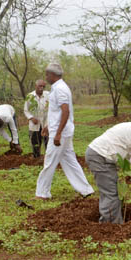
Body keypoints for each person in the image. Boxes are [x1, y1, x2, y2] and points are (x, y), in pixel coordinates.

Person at [35, 62, 94, 200]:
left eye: (47, 74)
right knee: (69, 160)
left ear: (53, 75)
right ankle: (86, 189)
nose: (46, 77)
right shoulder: (59, 87)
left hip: (60, 133)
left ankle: (42, 193)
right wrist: (49, 126)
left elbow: (65, 111)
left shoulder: (60, 88)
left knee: (49, 161)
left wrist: (58, 133)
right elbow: (57, 112)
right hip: (62, 131)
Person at [24, 79, 49, 157]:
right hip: (34, 125)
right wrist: (31, 118)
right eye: (40, 86)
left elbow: (52, 109)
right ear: (35, 86)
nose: (41, 88)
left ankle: (48, 158)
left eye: (43, 86)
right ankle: (36, 158)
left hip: (46, 123)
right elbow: (26, 110)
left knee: (48, 142)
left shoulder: (48, 95)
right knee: (35, 143)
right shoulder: (30, 96)